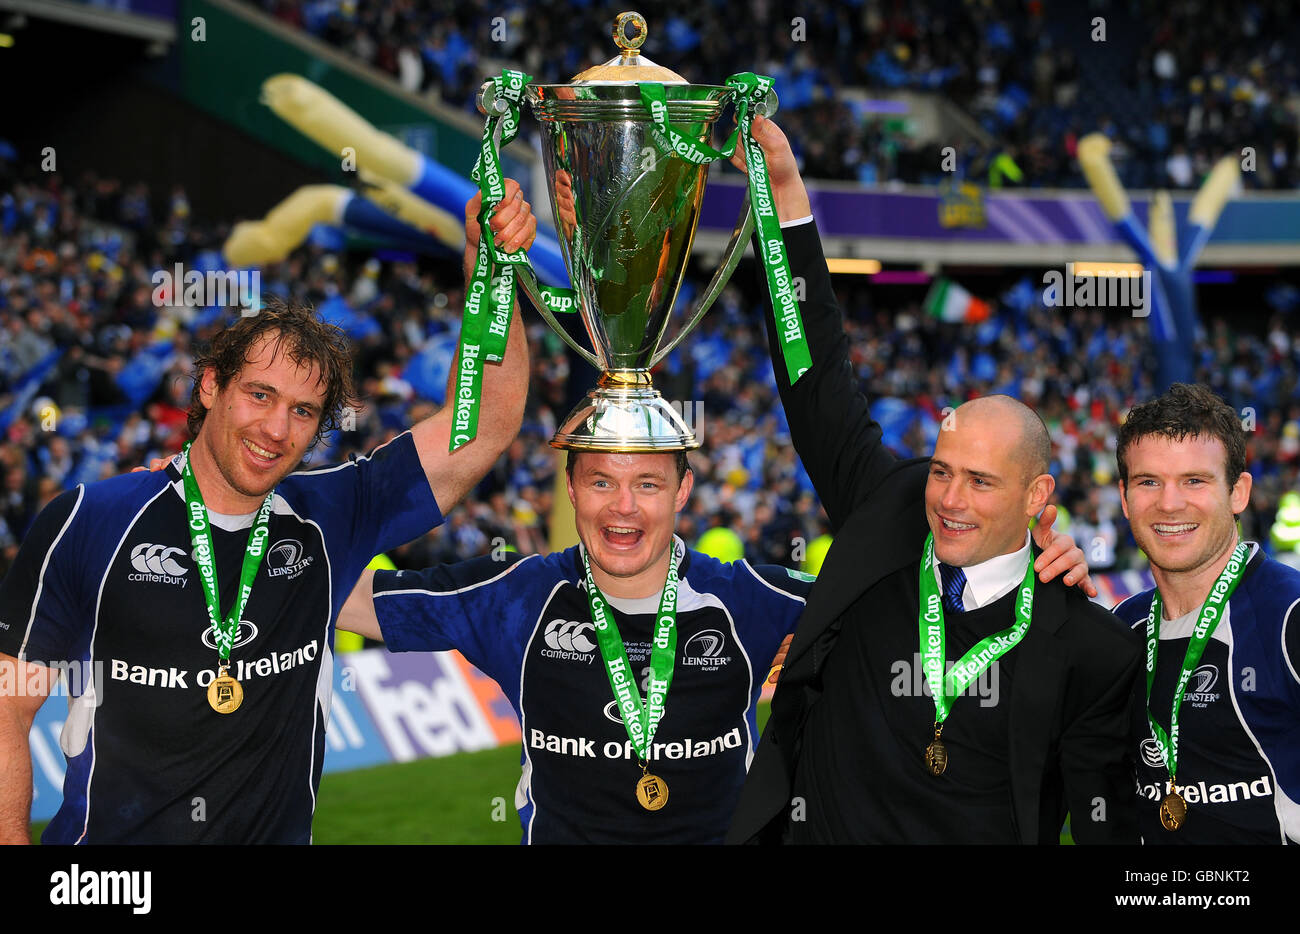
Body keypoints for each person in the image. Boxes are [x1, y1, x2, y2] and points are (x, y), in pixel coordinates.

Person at [0, 181, 535, 844]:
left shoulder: (330, 517)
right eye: (259, 394)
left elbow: (485, 424)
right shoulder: (86, 520)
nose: (276, 429)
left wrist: (491, 269)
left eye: (303, 412)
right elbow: (7, 707)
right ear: (210, 386)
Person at [726, 115, 1141, 845]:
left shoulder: (1091, 647)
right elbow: (814, 376)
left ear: (1037, 497)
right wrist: (783, 195)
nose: (949, 499)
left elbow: (1106, 825)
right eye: (943, 471)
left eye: (981, 482)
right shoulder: (885, 517)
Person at [1111, 383, 1300, 843]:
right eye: (1148, 481)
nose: (1169, 503)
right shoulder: (1120, 628)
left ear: (1239, 493)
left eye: (1194, 480)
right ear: (1124, 498)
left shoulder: (1290, 615)